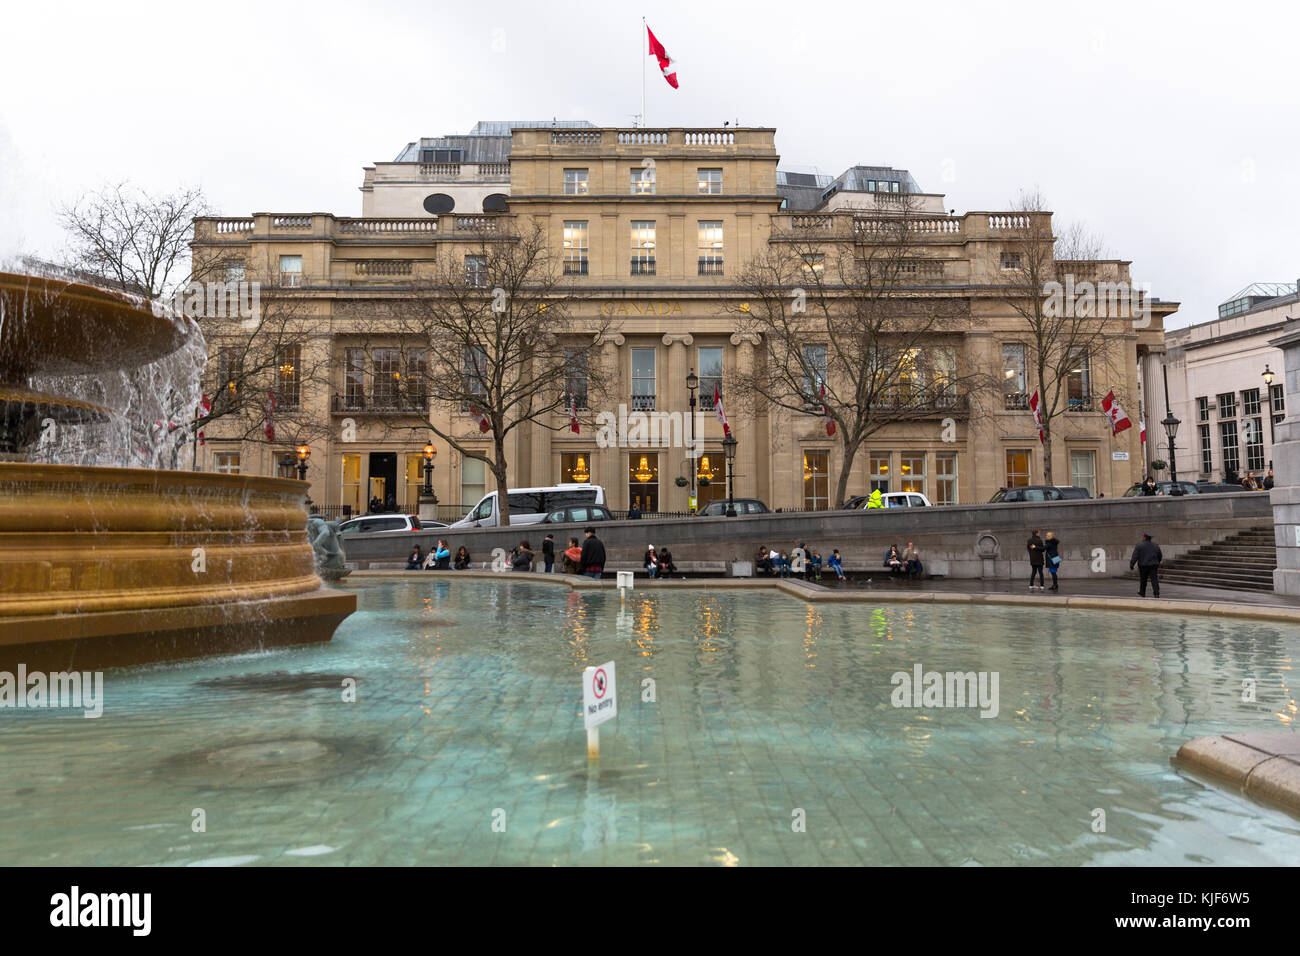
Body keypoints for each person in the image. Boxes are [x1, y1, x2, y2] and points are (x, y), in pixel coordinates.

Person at [1130, 531, 1163, 598]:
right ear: (1150, 538)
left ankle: (1142, 592)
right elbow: (1160, 555)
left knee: (1143, 579)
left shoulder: (1139, 545)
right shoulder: (1155, 545)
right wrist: (1157, 562)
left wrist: (1132, 564)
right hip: (1153, 565)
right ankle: (1156, 593)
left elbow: (1135, 556)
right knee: (1154, 580)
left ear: (1144, 537)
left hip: (1143, 565)